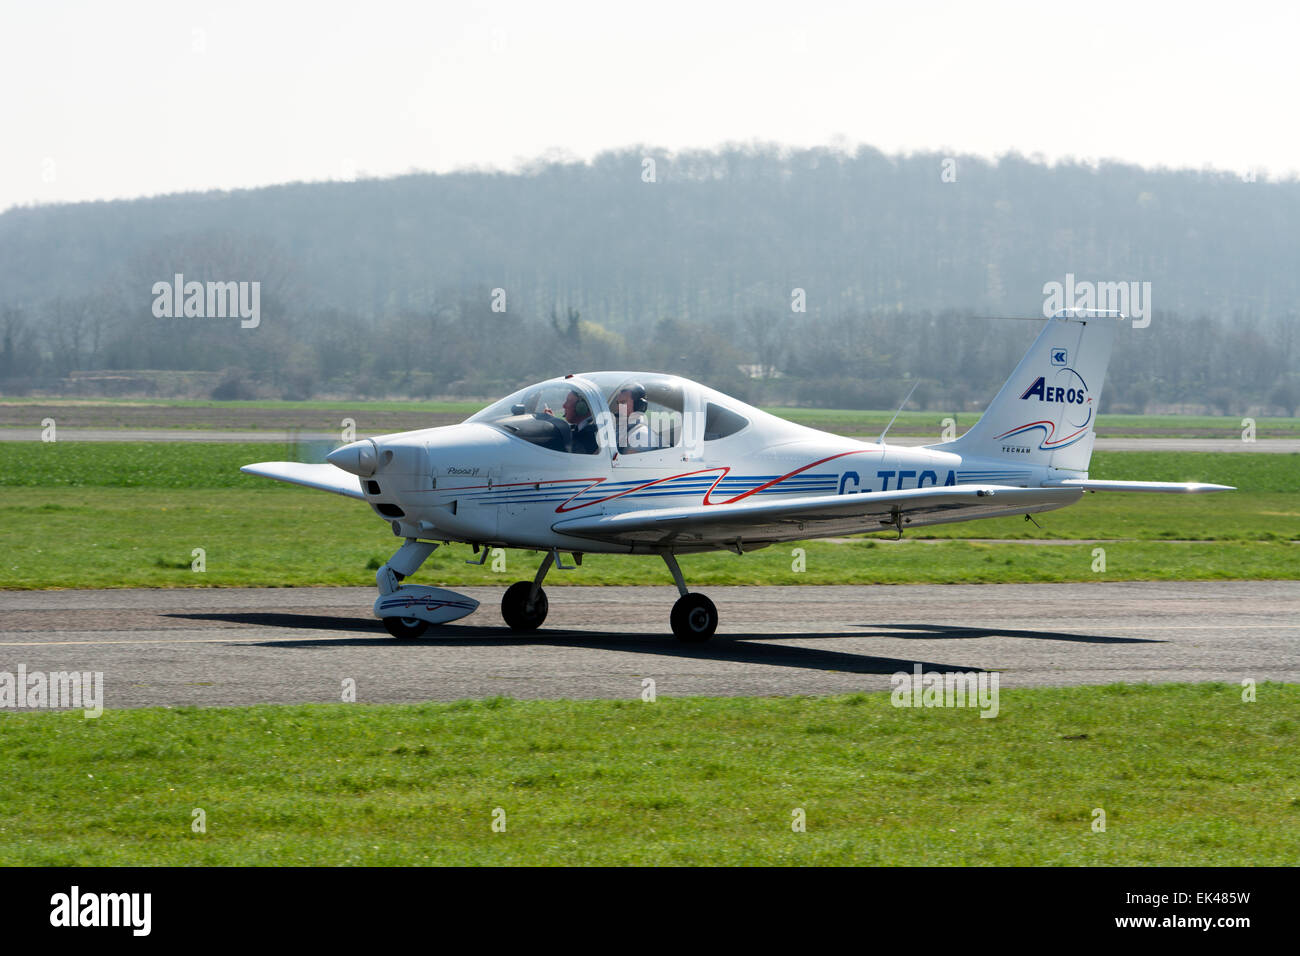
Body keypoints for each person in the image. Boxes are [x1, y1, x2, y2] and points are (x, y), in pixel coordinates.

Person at [613, 383, 651, 454]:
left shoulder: (641, 435)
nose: (618, 408)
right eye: (618, 403)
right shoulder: (618, 429)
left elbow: (626, 463)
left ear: (639, 405)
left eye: (623, 403)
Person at [562, 389, 599, 454]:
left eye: (568, 401)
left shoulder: (592, 433)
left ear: (581, 406)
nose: (564, 405)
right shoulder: (580, 427)